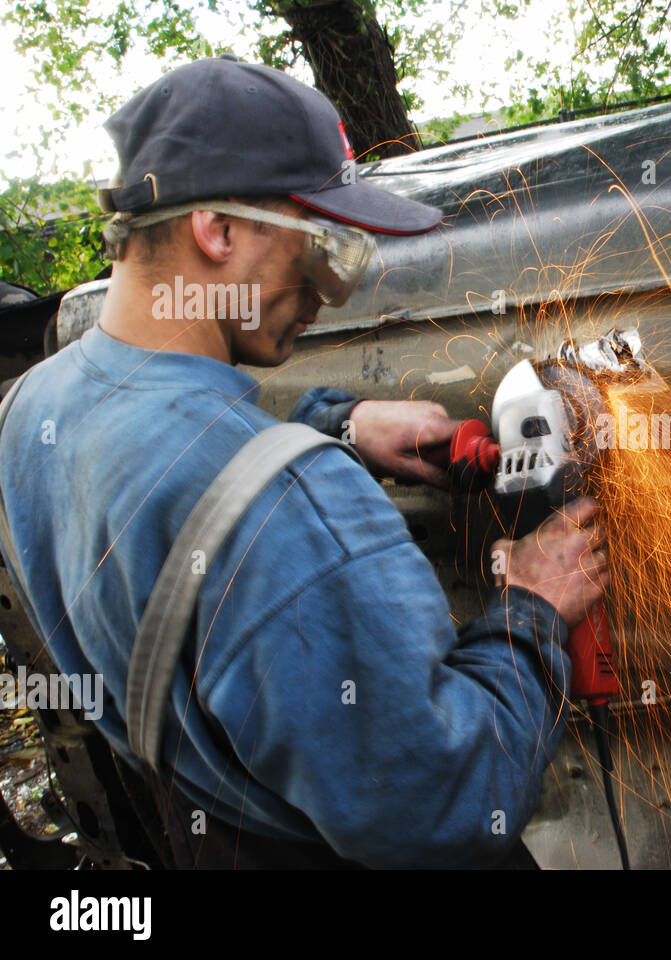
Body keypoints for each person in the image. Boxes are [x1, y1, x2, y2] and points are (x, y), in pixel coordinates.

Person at [0, 56, 608, 868]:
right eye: (324, 250)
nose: (328, 292)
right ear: (216, 231)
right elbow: (453, 800)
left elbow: (177, 462)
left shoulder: (38, 405)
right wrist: (532, 607)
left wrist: (337, 427)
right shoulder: (289, 508)